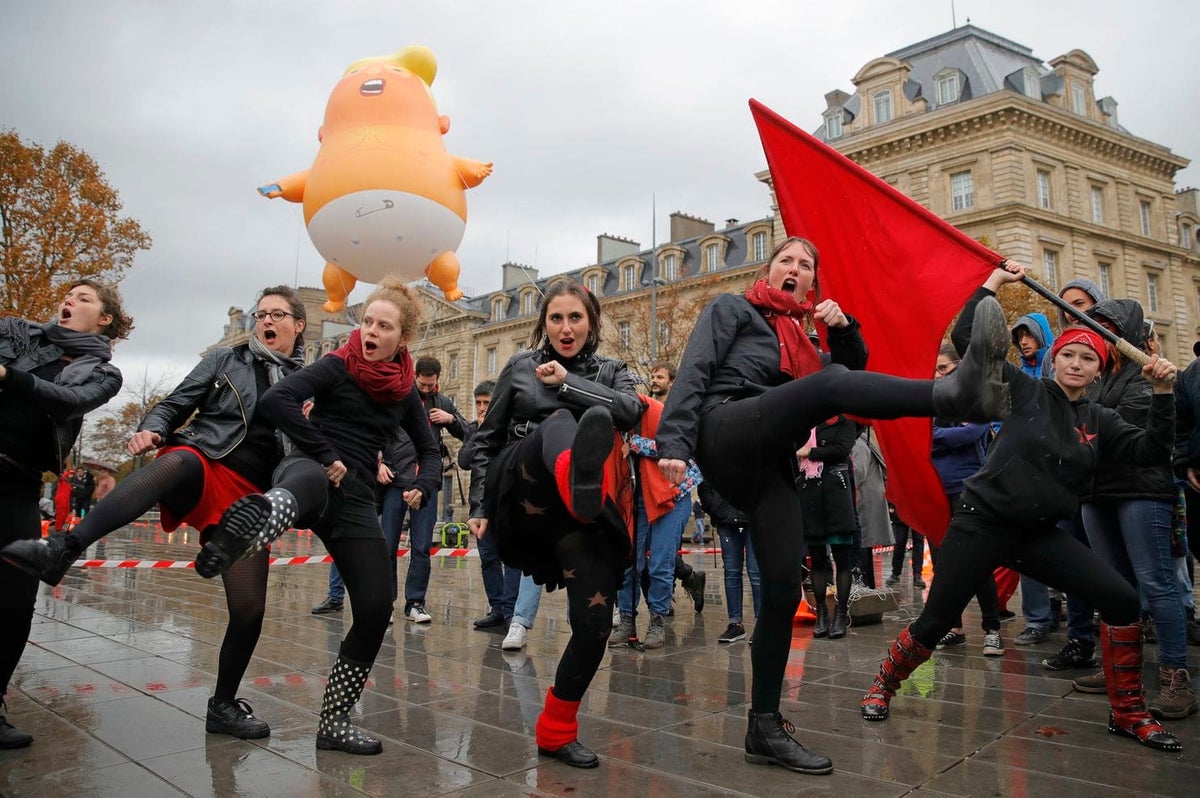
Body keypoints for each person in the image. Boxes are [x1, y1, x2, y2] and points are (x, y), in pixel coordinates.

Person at [656, 236, 1012, 775]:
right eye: (786, 261)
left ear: (813, 283)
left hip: (771, 459)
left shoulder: (806, 340)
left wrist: (843, 328)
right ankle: (954, 396)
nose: (794, 269)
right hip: (724, 423)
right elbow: (694, 371)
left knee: (780, 588)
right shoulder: (734, 309)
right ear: (769, 271)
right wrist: (674, 444)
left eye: (805, 265)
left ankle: (765, 725)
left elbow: (850, 377)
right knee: (830, 383)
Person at [860, 264, 1182, 754]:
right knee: (937, 620)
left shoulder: (1102, 418)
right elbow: (970, 338)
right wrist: (994, 282)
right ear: (1054, 360)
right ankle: (883, 685)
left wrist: (1162, 395)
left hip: (1036, 534)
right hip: (981, 522)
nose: (1075, 364)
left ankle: (1128, 711)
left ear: (1099, 368)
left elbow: (1152, 454)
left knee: (1120, 600)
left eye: (1086, 359)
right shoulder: (1023, 390)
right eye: (1067, 355)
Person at [4, 285, 319, 742]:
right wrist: (152, 429)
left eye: (277, 315)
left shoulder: (311, 378)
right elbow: (174, 404)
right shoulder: (226, 360)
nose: (266, 321)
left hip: (254, 500)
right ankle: (64, 546)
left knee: (249, 609)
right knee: (177, 458)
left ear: (298, 325)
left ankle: (224, 706)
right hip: (209, 460)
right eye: (260, 314)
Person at [204, 275, 441, 755]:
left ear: (404, 338)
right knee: (305, 485)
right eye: (367, 321)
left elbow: (429, 450)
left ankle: (333, 721)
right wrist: (325, 451)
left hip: (353, 499)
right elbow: (277, 400)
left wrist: (422, 484)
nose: (371, 332)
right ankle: (251, 529)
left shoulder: (403, 391)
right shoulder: (338, 364)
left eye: (384, 326)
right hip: (309, 468)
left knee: (376, 607)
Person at [467, 279, 644, 769]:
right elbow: (485, 439)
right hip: (524, 490)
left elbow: (630, 411)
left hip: (579, 509)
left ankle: (555, 729)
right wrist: (479, 505)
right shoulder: (521, 366)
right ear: (543, 324)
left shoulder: (611, 371)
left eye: (576, 318)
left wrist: (565, 385)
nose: (566, 328)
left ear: (592, 322)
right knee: (559, 426)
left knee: (594, 624)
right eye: (556, 318)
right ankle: (571, 467)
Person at [0, 279, 131, 749]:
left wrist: (8, 378)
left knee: (15, 605)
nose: (69, 301)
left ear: (105, 318)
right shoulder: (16, 333)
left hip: (16, 484)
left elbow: (68, 401)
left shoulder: (102, 373)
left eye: (83, 298)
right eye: (68, 295)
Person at [1073, 299, 1195, 719]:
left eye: (1108, 327)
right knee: (1115, 587)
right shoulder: (1096, 378)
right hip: (1098, 494)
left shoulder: (1146, 377)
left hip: (1141, 493)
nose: (1100, 334)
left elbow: (1110, 431)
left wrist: (1074, 416)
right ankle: (1122, 668)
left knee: (1157, 584)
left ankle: (1175, 675)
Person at [929, 343, 1004, 656]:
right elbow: (925, 436)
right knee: (943, 563)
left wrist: (939, 436)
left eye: (945, 368)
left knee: (976, 561)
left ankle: (992, 628)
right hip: (934, 487)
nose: (940, 374)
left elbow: (972, 434)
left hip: (967, 486)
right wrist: (946, 435)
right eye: (936, 370)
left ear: (960, 366)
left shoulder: (978, 394)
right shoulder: (931, 398)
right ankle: (954, 627)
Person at [612, 393, 695, 650]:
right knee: (629, 561)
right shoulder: (613, 417)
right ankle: (626, 619)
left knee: (660, 562)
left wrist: (636, 444)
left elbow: (678, 448)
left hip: (671, 495)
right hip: (636, 497)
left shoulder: (661, 412)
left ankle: (657, 620)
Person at [402, 356, 467, 624]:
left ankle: (415, 602)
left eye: (431, 385)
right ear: (415, 376)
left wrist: (450, 419)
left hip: (427, 482)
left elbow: (468, 433)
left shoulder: (442, 402)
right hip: (399, 477)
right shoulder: (402, 397)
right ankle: (383, 604)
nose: (427, 389)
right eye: (423, 384)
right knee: (385, 543)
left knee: (421, 545)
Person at [460, 380, 522, 631]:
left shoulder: (510, 426)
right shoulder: (474, 429)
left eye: (487, 402)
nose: (482, 408)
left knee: (513, 558)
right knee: (488, 558)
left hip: (507, 500)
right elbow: (464, 460)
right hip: (482, 503)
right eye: (478, 403)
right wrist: (478, 432)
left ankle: (510, 610)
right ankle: (497, 608)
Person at [797, 415, 857, 639]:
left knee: (842, 559)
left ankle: (840, 614)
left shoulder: (844, 420)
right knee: (817, 560)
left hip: (835, 494)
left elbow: (841, 450)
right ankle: (822, 613)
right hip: (809, 493)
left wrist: (809, 452)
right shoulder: (804, 423)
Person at [700, 481, 759, 644]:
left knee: (756, 573)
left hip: (754, 514)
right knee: (731, 572)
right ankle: (735, 623)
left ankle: (761, 623)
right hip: (725, 515)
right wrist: (713, 507)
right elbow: (705, 479)